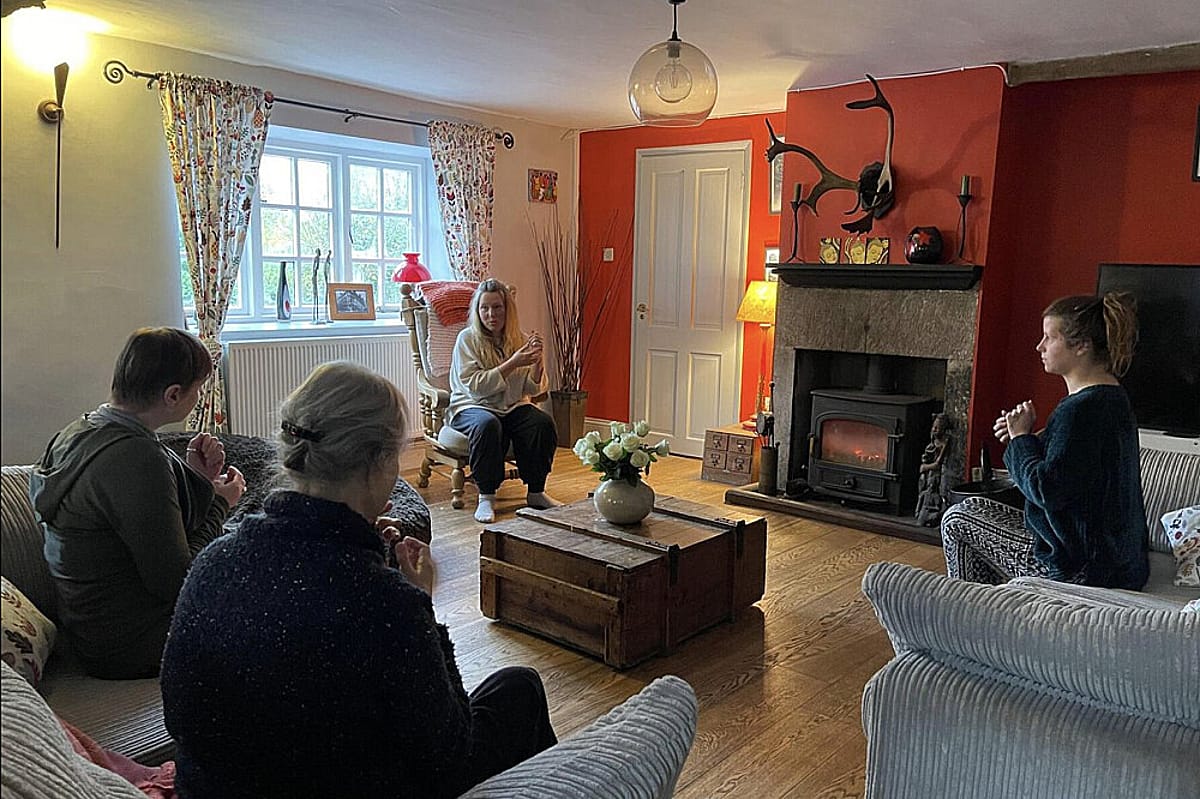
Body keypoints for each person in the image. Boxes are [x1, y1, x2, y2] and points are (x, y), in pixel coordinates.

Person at [160, 362, 557, 798]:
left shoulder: (213, 560)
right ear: (378, 461)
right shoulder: (386, 604)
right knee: (520, 689)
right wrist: (421, 605)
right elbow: (450, 753)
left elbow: (178, 714)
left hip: (214, 788)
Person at [29, 327, 246, 679]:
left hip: (91, 633)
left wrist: (198, 480)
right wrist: (222, 504)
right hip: (132, 642)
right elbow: (179, 581)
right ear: (173, 395)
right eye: (198, 388)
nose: (199, 396)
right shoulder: (137, 457)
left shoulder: (77, 432)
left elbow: (145, 526)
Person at [941, 292, 1148, 589]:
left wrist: (1021, 438)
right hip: (1116, 561)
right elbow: (1075, 469)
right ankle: (990, 605)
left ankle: (974, 611)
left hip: (1082, 568)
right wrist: (1025, 437)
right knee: (973, 508)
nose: (1040, 346)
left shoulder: (1080, 410)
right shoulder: (1111, 397)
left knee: (957, 518)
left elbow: (1047, 490)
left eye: (1049, 338)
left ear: (1082, 345)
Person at [448, 278, 560, 523]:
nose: (491, 314)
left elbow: (532, 389)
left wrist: (538, 363)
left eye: (497, 307)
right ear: (478, 311)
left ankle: (536, 491)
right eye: (485, 308)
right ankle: (486, 496)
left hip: (511, 406)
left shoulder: (519, 339)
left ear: (508, 309)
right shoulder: (467, 339)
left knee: (541, 422)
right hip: (471, 405)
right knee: (487, 424)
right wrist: (512, 363)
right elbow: (476, 387)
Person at [914, 412, 950, 527]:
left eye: (937, 428)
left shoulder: (944, 443)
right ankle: (919, 514)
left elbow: (938, 464)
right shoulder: (932, 442)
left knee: (929, 497)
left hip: (936, 476)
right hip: (927, 476)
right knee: (922, 494)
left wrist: (925, 467)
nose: (934, 430)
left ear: (944, 429)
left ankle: (929, 517)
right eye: (933, 427)